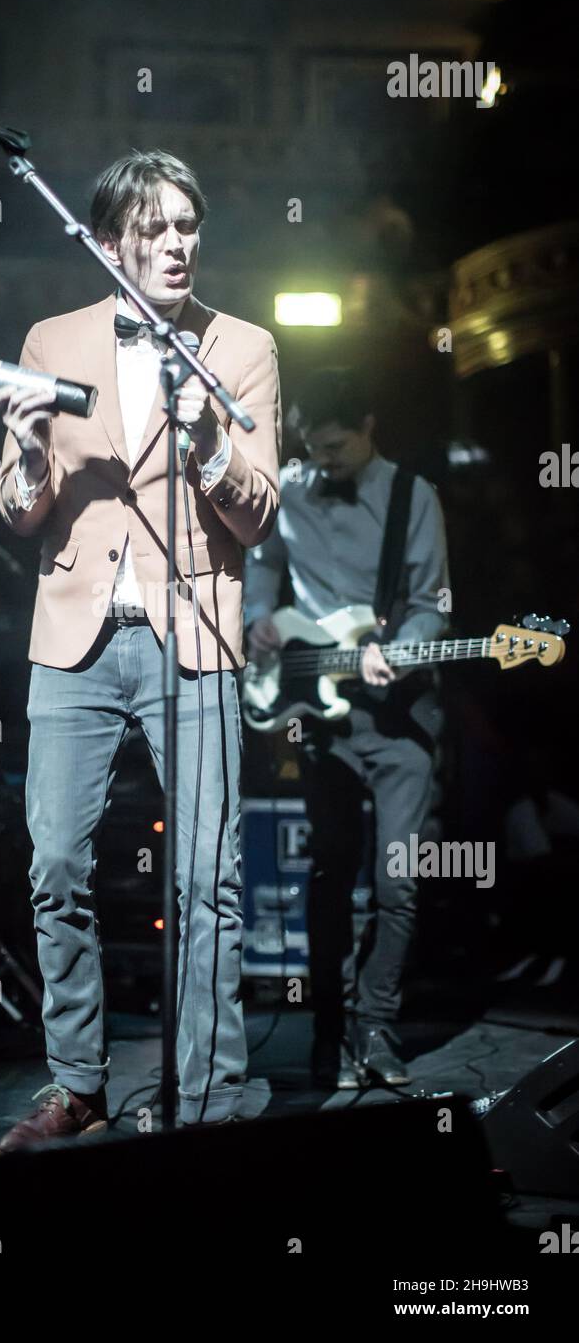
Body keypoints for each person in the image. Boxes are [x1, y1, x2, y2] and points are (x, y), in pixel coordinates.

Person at [0, 149, 281, 1148]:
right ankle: (77, 1083)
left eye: (186, 229)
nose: (175, 247)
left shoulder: (240, 346)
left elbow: (259, 515)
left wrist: (206, 447)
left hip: (191, 634)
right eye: (153, 232)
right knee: (56, 865)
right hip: (73, 636)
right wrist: (27, 452)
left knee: (206, 878)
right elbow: (18, 509)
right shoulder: (50, 338)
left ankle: (205, 1101)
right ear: (110, 243)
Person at [244, 368, 449, 1089]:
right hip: (317, 716)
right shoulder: (291, 489)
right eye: (311, 447)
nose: (321, 460)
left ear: (368, 427)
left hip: (398, 719)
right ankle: (327, 1033)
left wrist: (398, 647)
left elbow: (432, 603)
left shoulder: (413, 497)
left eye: (334, 446)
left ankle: (378, 1027)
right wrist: (257, 620)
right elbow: (261, 564)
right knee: (326, 875)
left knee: (399, 884)